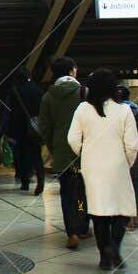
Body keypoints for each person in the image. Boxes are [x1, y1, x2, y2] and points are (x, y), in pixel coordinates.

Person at [67, 68, 138, 271]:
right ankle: (114, 246)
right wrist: (127, 162)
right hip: (117, 164)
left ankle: (104, 258)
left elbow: (72, 138)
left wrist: (85, 153)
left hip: (92, 166)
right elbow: (132, 144)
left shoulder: (83, 109)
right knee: (123, 209)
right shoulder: (124, 110)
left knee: (99, 211)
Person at [38, 56, 88, 249]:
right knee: (82, 193)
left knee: (67, 193)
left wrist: (54, 148)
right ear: (72, 71)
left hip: (62, 153)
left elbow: (45, 127)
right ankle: (82, 227)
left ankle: (71, 232)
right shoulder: (84, 93)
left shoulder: (48, 97)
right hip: (83, 153)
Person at [3, 68, 45, 194]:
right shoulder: (38, 90)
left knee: (21, 154)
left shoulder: (14, 92)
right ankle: (40, 179)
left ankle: (25, 182)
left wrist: (7, 130)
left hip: (18, 127)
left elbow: (8, 113)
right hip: (34, 127)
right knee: (36, 154)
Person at [113, 83, 138, 230]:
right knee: (134, 182)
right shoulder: (136, 110)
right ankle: (135, 215)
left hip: (119, 151)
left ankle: (126, 219)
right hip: (135, 150)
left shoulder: (114, 111)